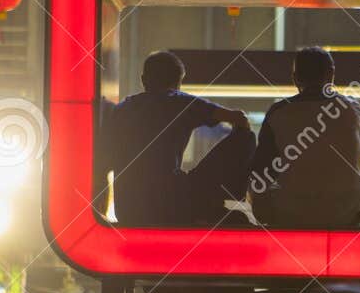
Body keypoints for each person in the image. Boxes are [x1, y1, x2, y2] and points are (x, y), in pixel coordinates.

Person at [100, 50, 253, 227]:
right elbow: (239, 119)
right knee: (245, 135)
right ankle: (234, 195)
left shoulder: (122, 109)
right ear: (178, 82)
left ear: (143, 80)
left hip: (129, 210)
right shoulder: (180, 102)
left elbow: (106, 160)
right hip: (172, 202)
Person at [249, 47, 360, 229]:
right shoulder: (352, 107)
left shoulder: (278, 111)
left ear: (295, 78)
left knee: (256, 187)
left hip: (289, 215)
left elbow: (260, 172)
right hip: (349, 215)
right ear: (331, 74)